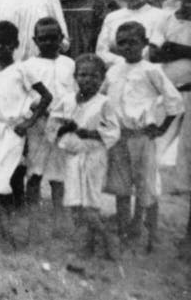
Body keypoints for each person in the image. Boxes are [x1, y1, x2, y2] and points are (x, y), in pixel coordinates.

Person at [103, 21, 183, 252]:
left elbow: (174, 101)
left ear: (145, 43)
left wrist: (161, 128)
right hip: (119, 137)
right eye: (122, 43)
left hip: (142, 138)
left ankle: (151, 232)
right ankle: (124, 228)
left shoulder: (151, 70)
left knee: (146, 185)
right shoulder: (114, 70)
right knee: (121, 186)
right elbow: (102, 98)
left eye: (133, 42)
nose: (128, 47)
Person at [0, 22, 52, 248]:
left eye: (5, 44)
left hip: (12, 132)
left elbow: (46, 97)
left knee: (2, 180)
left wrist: (28, 122)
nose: (0, 48)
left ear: (15, 45)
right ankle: (2, 229)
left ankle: (13, 234)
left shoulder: (22, 69)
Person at [54, 53, 120, 260]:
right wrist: (64, 128)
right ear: (75, 77)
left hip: (94, 156)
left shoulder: (104, 103)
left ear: (102, 79)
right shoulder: (66, 100)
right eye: (83, 75)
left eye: (94, 76)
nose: (88, 80)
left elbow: (113, 131)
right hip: (73, 156)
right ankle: (84, 244)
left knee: (90, 205)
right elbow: (54, 125)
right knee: (74, 202)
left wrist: (90, 132)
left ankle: (107, 239)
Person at [20, 17, 76, 236]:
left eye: (54, 38)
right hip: (39, 125)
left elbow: (74, 92)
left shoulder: (69, 64)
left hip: (62, 125)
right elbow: (25, 96)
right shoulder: (28, 66)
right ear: (35, 40)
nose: (49, 42)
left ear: (61, 39)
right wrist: (35, 111)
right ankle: (32, 218)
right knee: (35, 171)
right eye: (43, 39)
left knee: (59, 173)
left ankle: (59, 219)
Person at [150, 0, 191, 256]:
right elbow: (153, 53)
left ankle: (188, 234)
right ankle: (146, 223)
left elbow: (167, 49)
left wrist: (176, 48)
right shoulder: (166, 18)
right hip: (168, 93)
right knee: (150, 151)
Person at [97, 0, 169, 67]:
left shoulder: (162, 16)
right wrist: (122, 62)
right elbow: (101, 51)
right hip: (118, 73)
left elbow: (155, 48)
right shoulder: (112, 17)